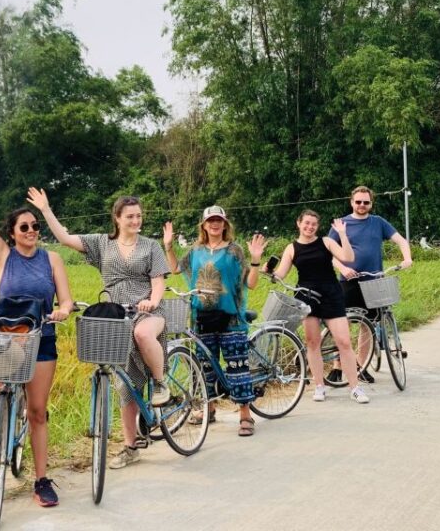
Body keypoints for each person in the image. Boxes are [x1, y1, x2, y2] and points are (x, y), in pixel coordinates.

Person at [27, 188, 170, 470]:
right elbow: (65, 238)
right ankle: (130, 446)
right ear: (117, 218)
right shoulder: (102, 244)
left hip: (146, 312)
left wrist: (152, 301)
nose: (135, 221)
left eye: (139, 216)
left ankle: (160, 382)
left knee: (142, 334)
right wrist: (45, 210)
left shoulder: (151, 246)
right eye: (130, 216)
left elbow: (158, 281)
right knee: (124, 386)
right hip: (115, 315)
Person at [0, 144, 73, 507]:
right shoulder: (3, 256)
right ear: (12, 233)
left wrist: (62, 311)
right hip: (4, 340)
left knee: (37, 411)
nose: (31, 231)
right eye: (24, 226)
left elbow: (67, 300)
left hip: (41, 338)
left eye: (35, 226)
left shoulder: (52, 259)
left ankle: (42, 479)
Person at [163, 206, 267, 436]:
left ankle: (245, 415)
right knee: (205, 368)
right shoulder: (196, 251)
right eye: (211, 220)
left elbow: (250, 283)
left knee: (237, 366)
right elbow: (175, 268)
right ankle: (209, 409)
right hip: (202, 318)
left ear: (225, 224)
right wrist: (168, 245)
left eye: (219, 220)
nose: (215, 224)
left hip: (231, 318)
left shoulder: (234, 251)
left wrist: (256, 261)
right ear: (204, 225)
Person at [266, 209, 370, 404]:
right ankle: (319, 386)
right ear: (299, 223)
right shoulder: (291, 248)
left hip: (332, 294)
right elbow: (280, 275)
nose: (309, 227)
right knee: (312, 342)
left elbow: (349, 258)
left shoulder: (326, 242)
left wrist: (342, 234)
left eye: (313, 224)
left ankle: (355, 387)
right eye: (306, 223)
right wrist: (268, 271)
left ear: (317, 226)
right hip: (306, 297)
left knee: (344, 342)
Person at [327, 186, 413, 384]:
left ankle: (360, 366)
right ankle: (338, 367)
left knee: (368, 327)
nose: (362, 205)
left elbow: (401, 240)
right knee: (343, 325)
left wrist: (407, 258)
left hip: (373, 281)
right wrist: (343, 267)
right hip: (347, 281)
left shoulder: (378, 222)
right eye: (358, 202)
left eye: (366, 202)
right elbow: (328, 251)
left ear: (371, 204)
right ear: (351, 202)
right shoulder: (341, 224)